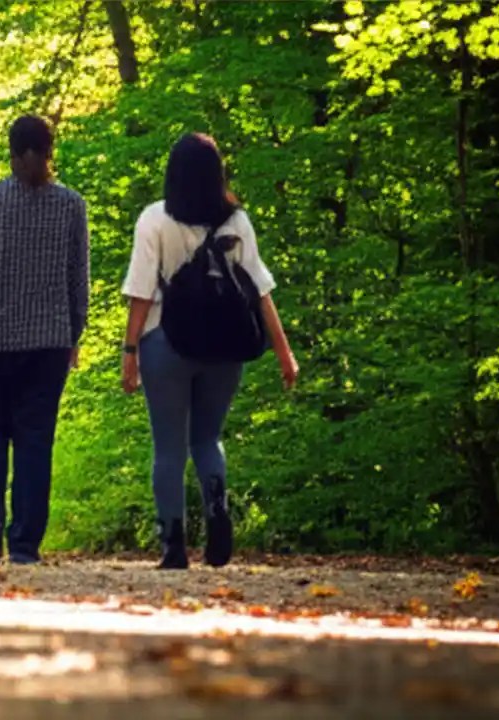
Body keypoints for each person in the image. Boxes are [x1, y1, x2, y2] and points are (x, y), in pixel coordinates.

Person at [120, 132, 299, 570]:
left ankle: (173, 545)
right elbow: (260, 291)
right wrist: (284, 353)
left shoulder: (155, 219)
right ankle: (217, 510)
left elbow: (141, 291)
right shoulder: (237, 222)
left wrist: (129, 351)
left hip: (166, 343)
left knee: (169, 448)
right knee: (208, 438)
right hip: (225, 345)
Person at [0, 115, 90, 565]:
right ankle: (25, 542)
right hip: (49, 343)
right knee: (35, 440)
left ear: (12, 153)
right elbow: (78, 279)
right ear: (50, 151)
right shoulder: (72, 206)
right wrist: (75, 332)